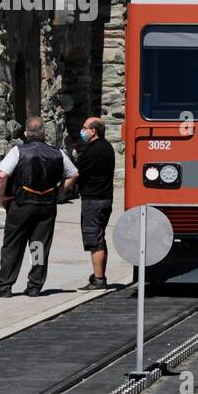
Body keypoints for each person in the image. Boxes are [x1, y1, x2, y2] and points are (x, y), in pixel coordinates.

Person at [0, 117, 78, 298]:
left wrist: (1, 197)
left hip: (22, 204)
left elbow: (1, 176)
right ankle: (34, 285)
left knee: (13, 245)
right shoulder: (58, 153)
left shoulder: (18, 151)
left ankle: (5, 285)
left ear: (25, 134)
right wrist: (59, 192)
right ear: (44, 133)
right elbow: (74, 173)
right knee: (38, 245)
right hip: (46, 206)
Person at [74, 116, 116, 290]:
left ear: (94, 131)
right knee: (100, 237)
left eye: (85, 128)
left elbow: (77, 171)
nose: (82, 130)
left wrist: (61, 189)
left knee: (94, 240)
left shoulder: (93, 150)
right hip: (105, 198)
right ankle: (100, 274)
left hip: (94, 200)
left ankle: (99, 279)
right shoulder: (107, 147)